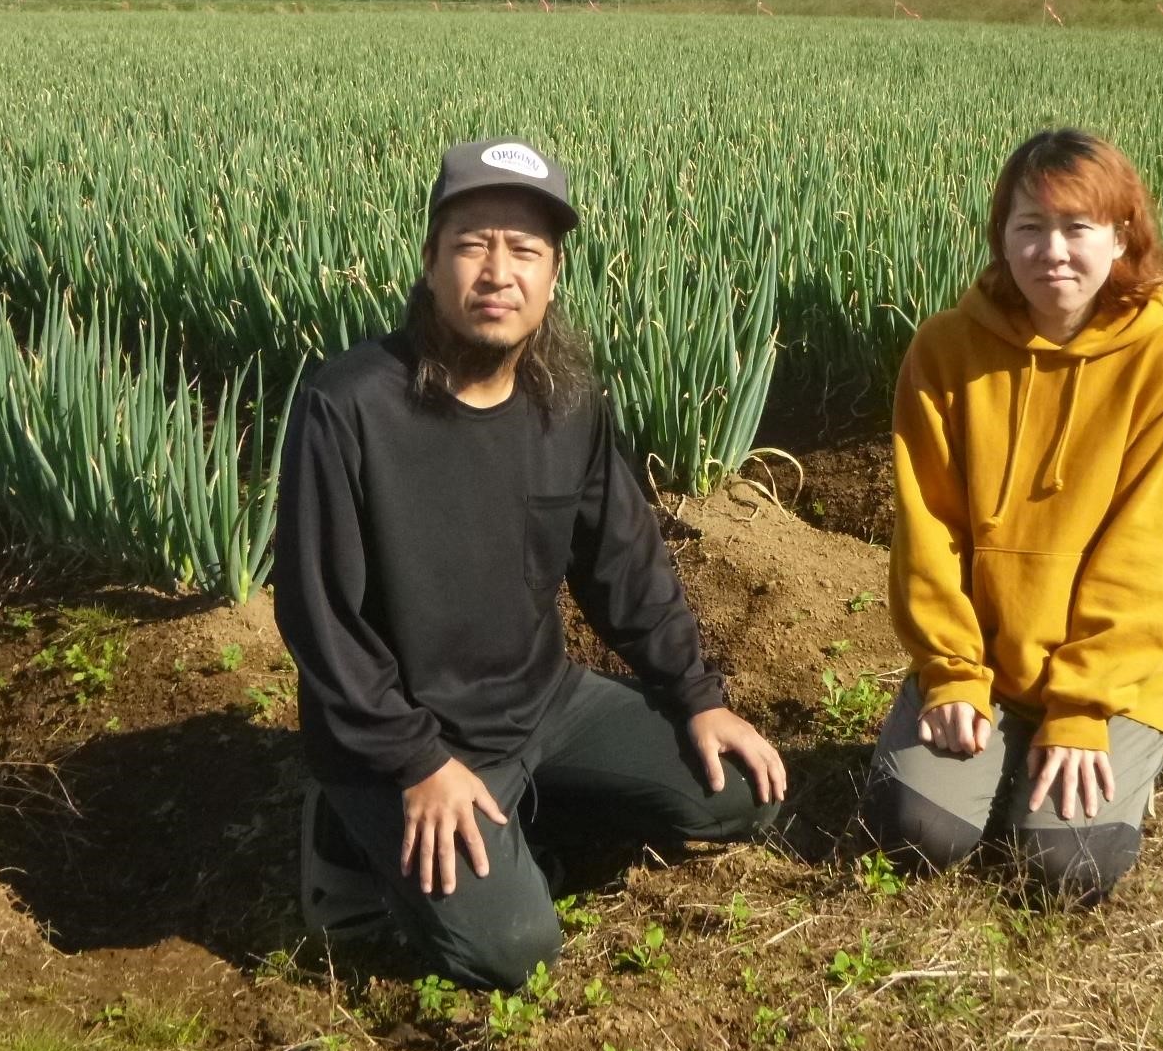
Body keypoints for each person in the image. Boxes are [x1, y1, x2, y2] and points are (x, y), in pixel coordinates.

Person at [273, 138, 786, 989]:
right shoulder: (350, 406)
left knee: (741, 793)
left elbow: (622, 560)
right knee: (513, 950)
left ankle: (516, 814)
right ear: (432, 260)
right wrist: (416, 764)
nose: (497, 271)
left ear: (552, 277)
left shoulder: (567, 402)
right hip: (406, 739)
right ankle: (343, 835)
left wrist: (695, 696)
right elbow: (321, 621)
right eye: (473, 243)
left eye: (527, 250)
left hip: (541, 703)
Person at [865, 128, 1163, 904]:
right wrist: (950, 674)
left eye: (1077, 227)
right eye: (1030, 227)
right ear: (1003, 237)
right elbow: (930, 529)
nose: (1053, 250)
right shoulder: (946, 349)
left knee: (1064, 868)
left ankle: (1107, 755)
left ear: (1121, 237)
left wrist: (1084, 708)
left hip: (1109, 672)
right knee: (916, 831)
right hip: (982, 658)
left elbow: (1147, 556)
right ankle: (999, 744)